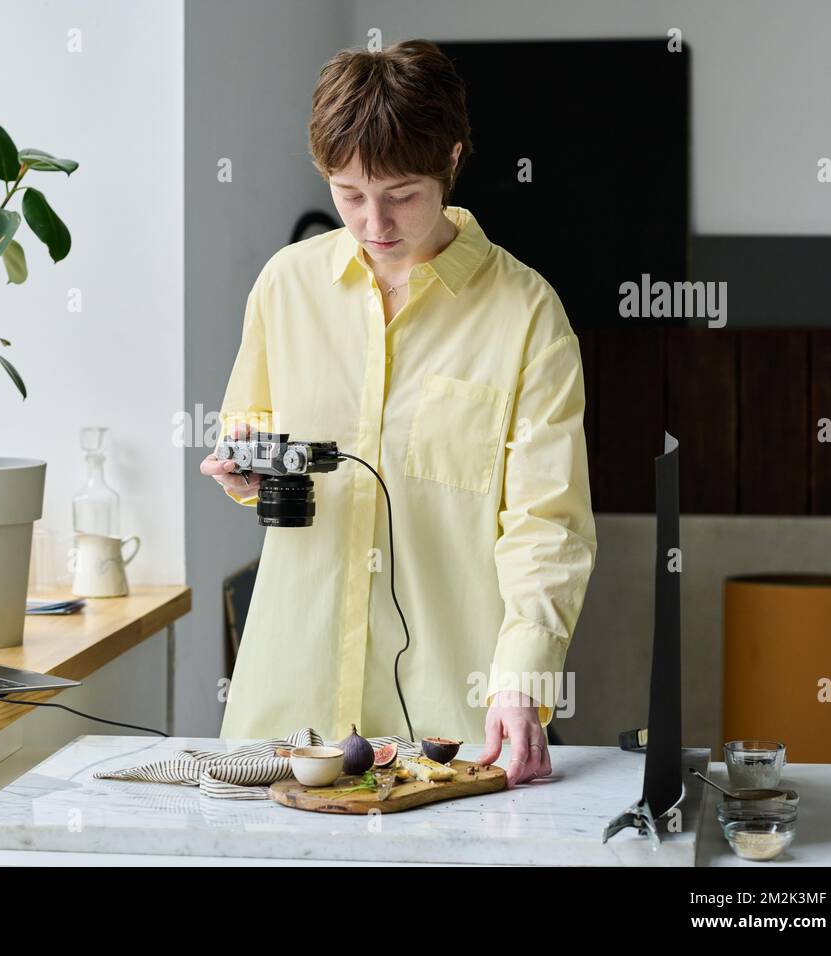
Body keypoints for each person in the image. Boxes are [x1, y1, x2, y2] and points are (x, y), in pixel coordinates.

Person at [199, 40, 597, 786]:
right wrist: (242, 464)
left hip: (456, 722)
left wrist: (523, 676)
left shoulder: (528, 315)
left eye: (402, 194)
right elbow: (246, 423)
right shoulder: (285, 287)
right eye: (348, 194)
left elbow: (550, 524)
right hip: (288, 712)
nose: (372, 221)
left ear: (450, 160)